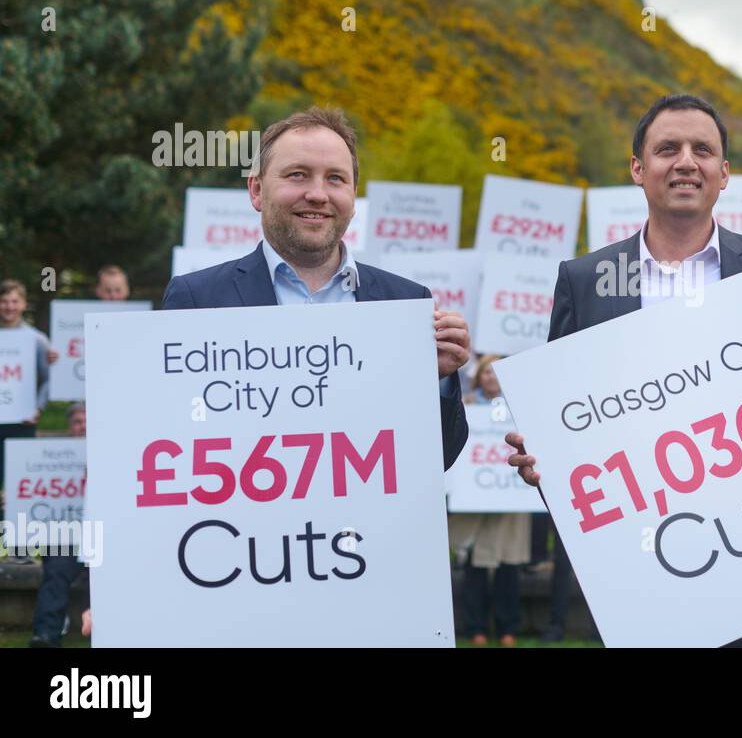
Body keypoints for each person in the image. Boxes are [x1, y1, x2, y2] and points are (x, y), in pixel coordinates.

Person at [504, 94, 742, 647]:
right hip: (641, 560)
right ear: (639, 170)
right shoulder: (587, 279)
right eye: (668, 149)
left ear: (724, 173)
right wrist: (544, 457)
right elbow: (562, 416)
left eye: (703, 150)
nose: (686, 161)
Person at [161, 107, 470, 468]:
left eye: (335, 179)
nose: (318, 194)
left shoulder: (406, 302)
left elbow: (437, 459)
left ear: (353, 196)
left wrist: (438, 380)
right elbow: (171, 439)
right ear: (257, 189)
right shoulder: (197, 300)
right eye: (298, 175)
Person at [450, 355, 529, 646]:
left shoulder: (520, 409)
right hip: (476, 501)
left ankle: (508, 627)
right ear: (479, 376)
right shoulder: (465, 406)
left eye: (497, 373)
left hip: (510, 500)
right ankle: (476, 628)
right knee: (476, 565)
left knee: (509, 564)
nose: (492, 379)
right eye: (487, 373)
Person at [29, 402, 88, 647]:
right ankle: (46, 635)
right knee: (55, 572)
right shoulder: (49, 459)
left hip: (105, 534)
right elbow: (31, 493)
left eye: (87, 420)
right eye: (77, 421)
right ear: (69, 427)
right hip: (67, 533)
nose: (83, 426)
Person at [0, 280, 59, 515]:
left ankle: (17, 544)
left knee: (18, 481)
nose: (9, 306)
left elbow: (49, 378)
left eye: (14, 301)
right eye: (4, 301)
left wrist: (39, 407)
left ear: (23, 304)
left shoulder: (37, 339)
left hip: (22, 421)